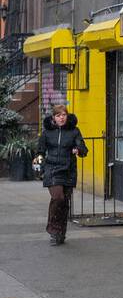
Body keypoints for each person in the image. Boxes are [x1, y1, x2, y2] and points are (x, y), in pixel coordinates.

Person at [34, 105, 88, 246]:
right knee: (58, 197)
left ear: (67, 116)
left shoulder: (74, 131)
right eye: (58, 115)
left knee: (64, 203)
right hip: (52, 169)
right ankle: (53, 228)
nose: (61, 117)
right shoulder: (47, 133)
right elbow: (40, 150)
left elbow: (83, 148)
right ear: (54, 118)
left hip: (68, 169)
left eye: (64, 114)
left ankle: (60, 233)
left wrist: (78, 149)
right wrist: (39, 159)